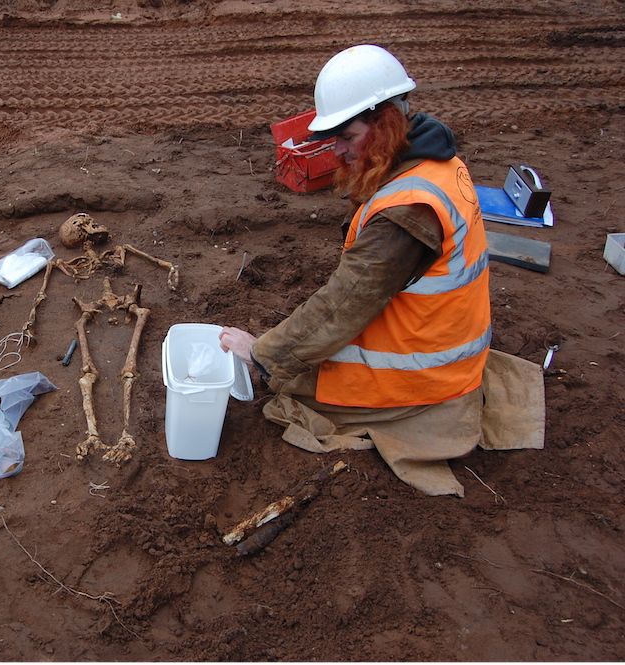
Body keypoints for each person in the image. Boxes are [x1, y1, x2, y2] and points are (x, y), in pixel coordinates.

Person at [220, 45, 543, 496]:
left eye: (346, 136)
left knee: (290, 388)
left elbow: (343, 305)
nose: (337, 150)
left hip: (424, 375)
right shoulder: (438, 162)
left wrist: (263, 356)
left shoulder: (407, 211)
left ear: (384, 121)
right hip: (445, 342)